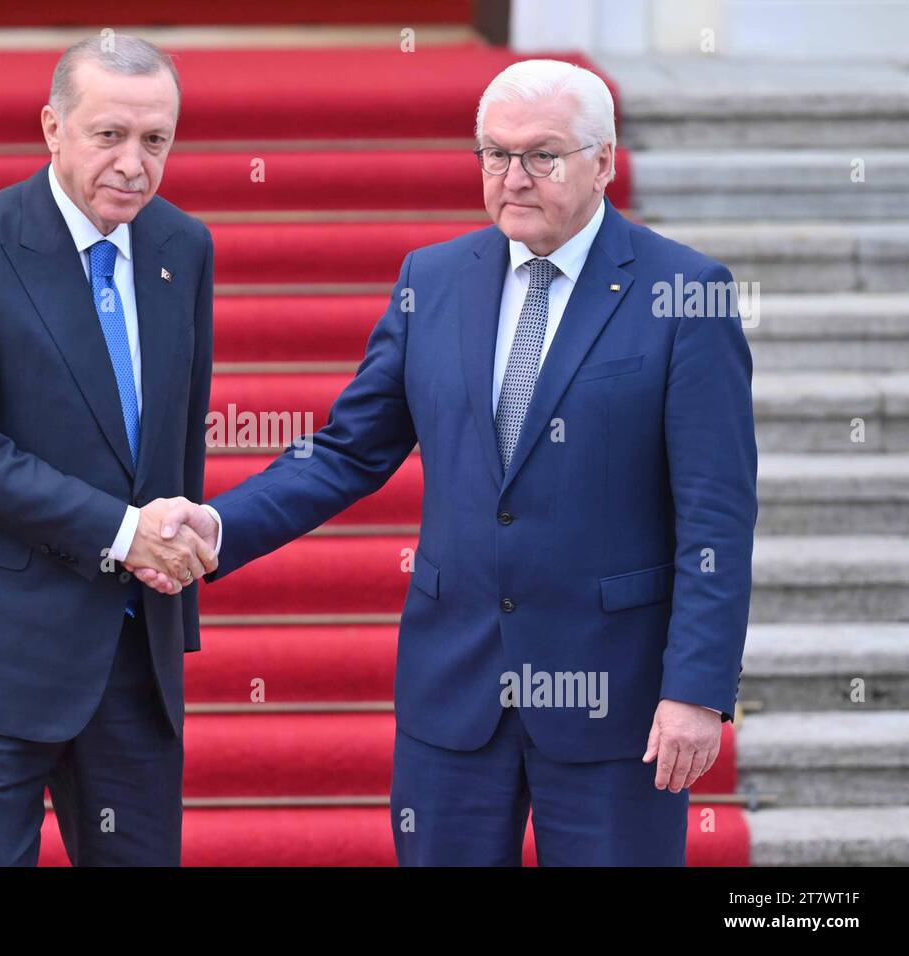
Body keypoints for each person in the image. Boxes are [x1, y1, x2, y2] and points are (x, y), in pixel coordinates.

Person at [134, 58, 758, 866]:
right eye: (494, 155)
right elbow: (348, 450)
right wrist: (219, 524)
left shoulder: (685, 293)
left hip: (620, 703)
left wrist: (696, 690)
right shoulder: (432, 279)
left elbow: (718, 514)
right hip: (454, 690)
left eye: (542, 155)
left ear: (602, 163)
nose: (513, 177)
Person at [0, 34, 218, 866]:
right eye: (110, 135)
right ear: (52, 128)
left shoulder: (184, 246)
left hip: (133, 657)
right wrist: (123, 532)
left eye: (156, 140)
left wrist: (174, 548)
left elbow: (174, 442)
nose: (134, 165)